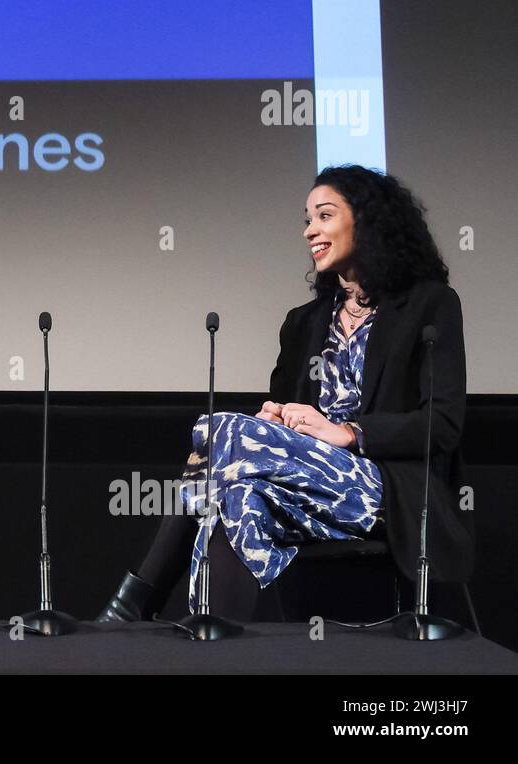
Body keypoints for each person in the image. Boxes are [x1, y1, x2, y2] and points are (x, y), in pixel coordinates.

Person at [98, 165, 472, 623]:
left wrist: (348, 433)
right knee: (234, 497)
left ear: (368, 220)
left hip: (386, 492)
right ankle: (211, 644)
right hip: (303, 488)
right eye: (307, 219)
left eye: (324, 215)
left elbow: (444, 424)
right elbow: (279, 424)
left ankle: (134, 605)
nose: (310, 230)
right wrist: (274, 421)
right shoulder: (304, 323)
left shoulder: (429, 305)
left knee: (221, 432)